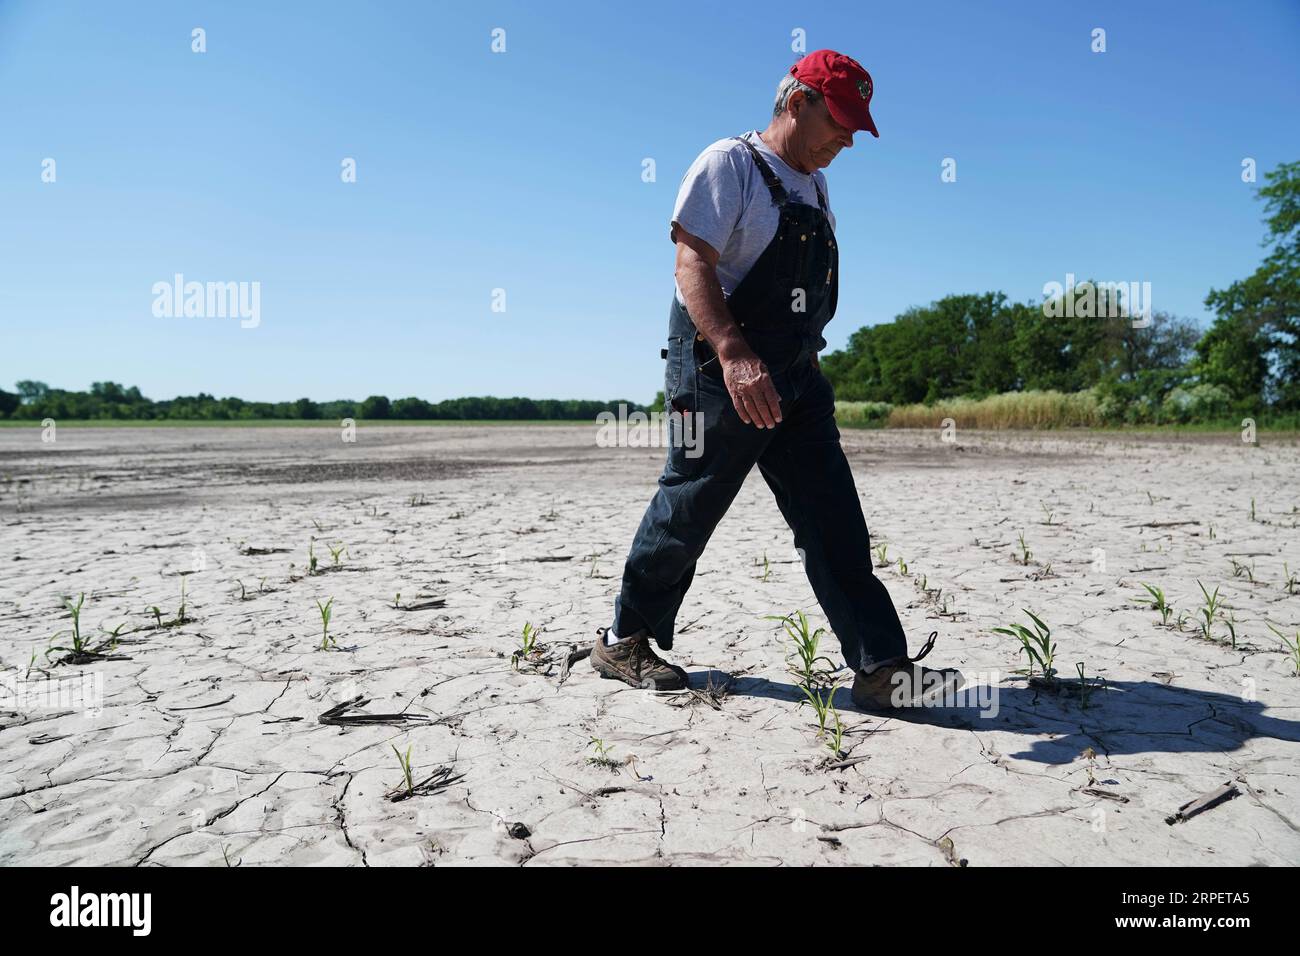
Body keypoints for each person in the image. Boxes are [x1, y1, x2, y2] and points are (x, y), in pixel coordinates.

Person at [594, 50, 962, 711]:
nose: (848, 138)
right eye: (840, 121)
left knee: (834, 516)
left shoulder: (816, 188)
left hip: (793, 375)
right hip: (714, 365)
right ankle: (624, 638)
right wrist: (735, 352)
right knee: (691, 503)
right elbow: (690, 264)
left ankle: (880, 669)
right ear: (797, 104)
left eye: (856, 126)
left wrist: (804, 358)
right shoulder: (729, 165)